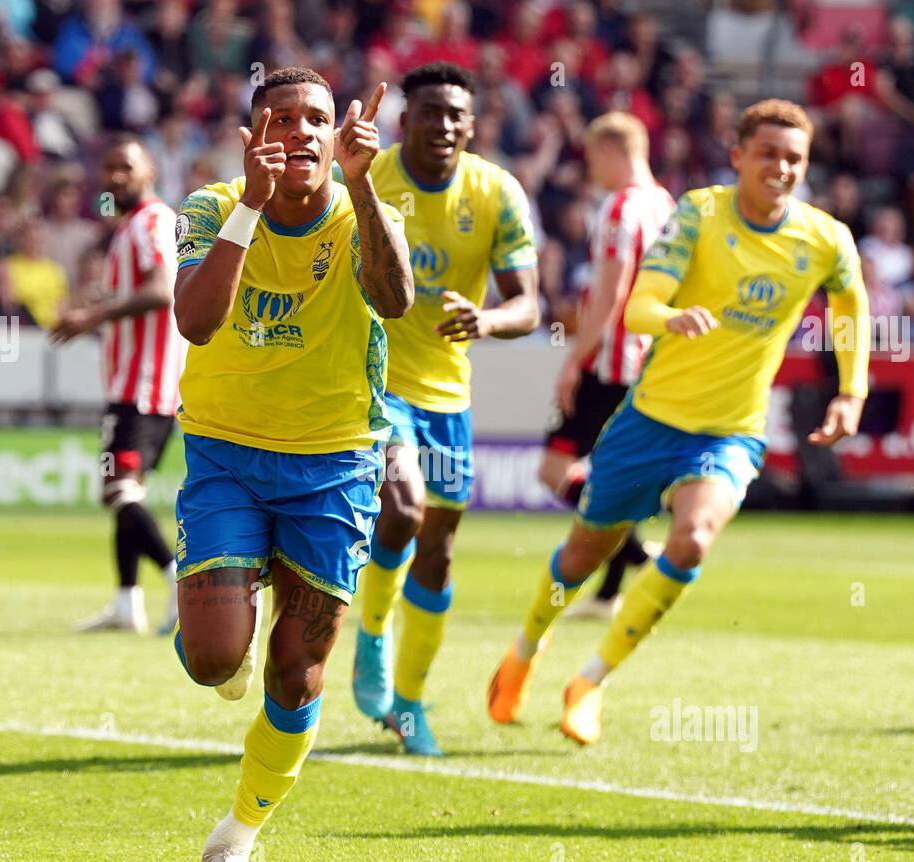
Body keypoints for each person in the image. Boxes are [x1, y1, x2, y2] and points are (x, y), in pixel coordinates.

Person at [487, 99, 871, 745]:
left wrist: (851, 392)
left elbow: (851, 313)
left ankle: (590, 682)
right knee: (584, 553)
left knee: (692, 539)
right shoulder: (698, 213)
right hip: (649, 419)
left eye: (794, 158)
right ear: (739, 157)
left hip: (729, 430)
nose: (781, 167)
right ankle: (525, 648)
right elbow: (639, 304)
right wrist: (672, 318)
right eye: (768, 154)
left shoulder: (826, 239)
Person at [171, 67, 412, 862]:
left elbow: (396, 297)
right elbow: (197, 323)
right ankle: (221, 626)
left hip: (335, 463)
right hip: (227, 454)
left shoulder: (365, 208)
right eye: (282, 118)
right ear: (253, 135)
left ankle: (234, 841)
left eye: (317, 118)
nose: (302, 131)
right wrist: (249, 204)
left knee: (297, 670)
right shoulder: (208, 207)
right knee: (211, 660)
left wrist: (362, 183)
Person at [351, 62, 540, 756]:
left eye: (458, 115)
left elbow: (529, 303)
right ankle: (371, 635)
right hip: (375, 380)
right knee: (402, 508)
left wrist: (489, 322)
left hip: (447, 393)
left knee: (438, 553)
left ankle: (409, 704)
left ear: (472, 124)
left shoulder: (496, 192)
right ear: (407, 121)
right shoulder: (372, 181)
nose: (446, 126)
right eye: (431, 113)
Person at [50, 136, 186, 636]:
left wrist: (92, 316)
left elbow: (161, 289)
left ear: (150, 169)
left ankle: (177, 580)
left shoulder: (153, 221)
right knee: (124, 491)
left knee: (118, 491)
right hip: (134, 385)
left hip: (144, 386)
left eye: (125, 166)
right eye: (108, 168)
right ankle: (127, 603)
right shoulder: (127, 227)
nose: (115, 177)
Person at [542, 111, 674, 621]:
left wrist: (575, 359)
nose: (591, 170)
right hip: (648, 362)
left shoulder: (620, 208)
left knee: (555, 469)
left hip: (609, 363)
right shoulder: (666, 205)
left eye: (594, 158)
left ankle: (634, 553)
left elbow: (612, 292)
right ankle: (609, 591)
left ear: (613, 151)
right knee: (609, 475)